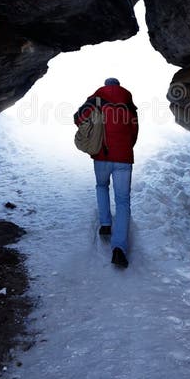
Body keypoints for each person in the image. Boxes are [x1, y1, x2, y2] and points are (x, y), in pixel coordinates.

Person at [74, 78, 139, 268]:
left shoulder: (96, 100)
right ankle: (119, 247)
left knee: (101, 186)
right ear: (119, 87)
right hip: (124, 159)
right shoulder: (129, 104)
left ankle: (105, 224)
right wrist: (124, 149)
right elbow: (134, 133)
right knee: (123, 201)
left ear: (105, 85)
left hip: (101, 156)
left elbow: (78, 119)